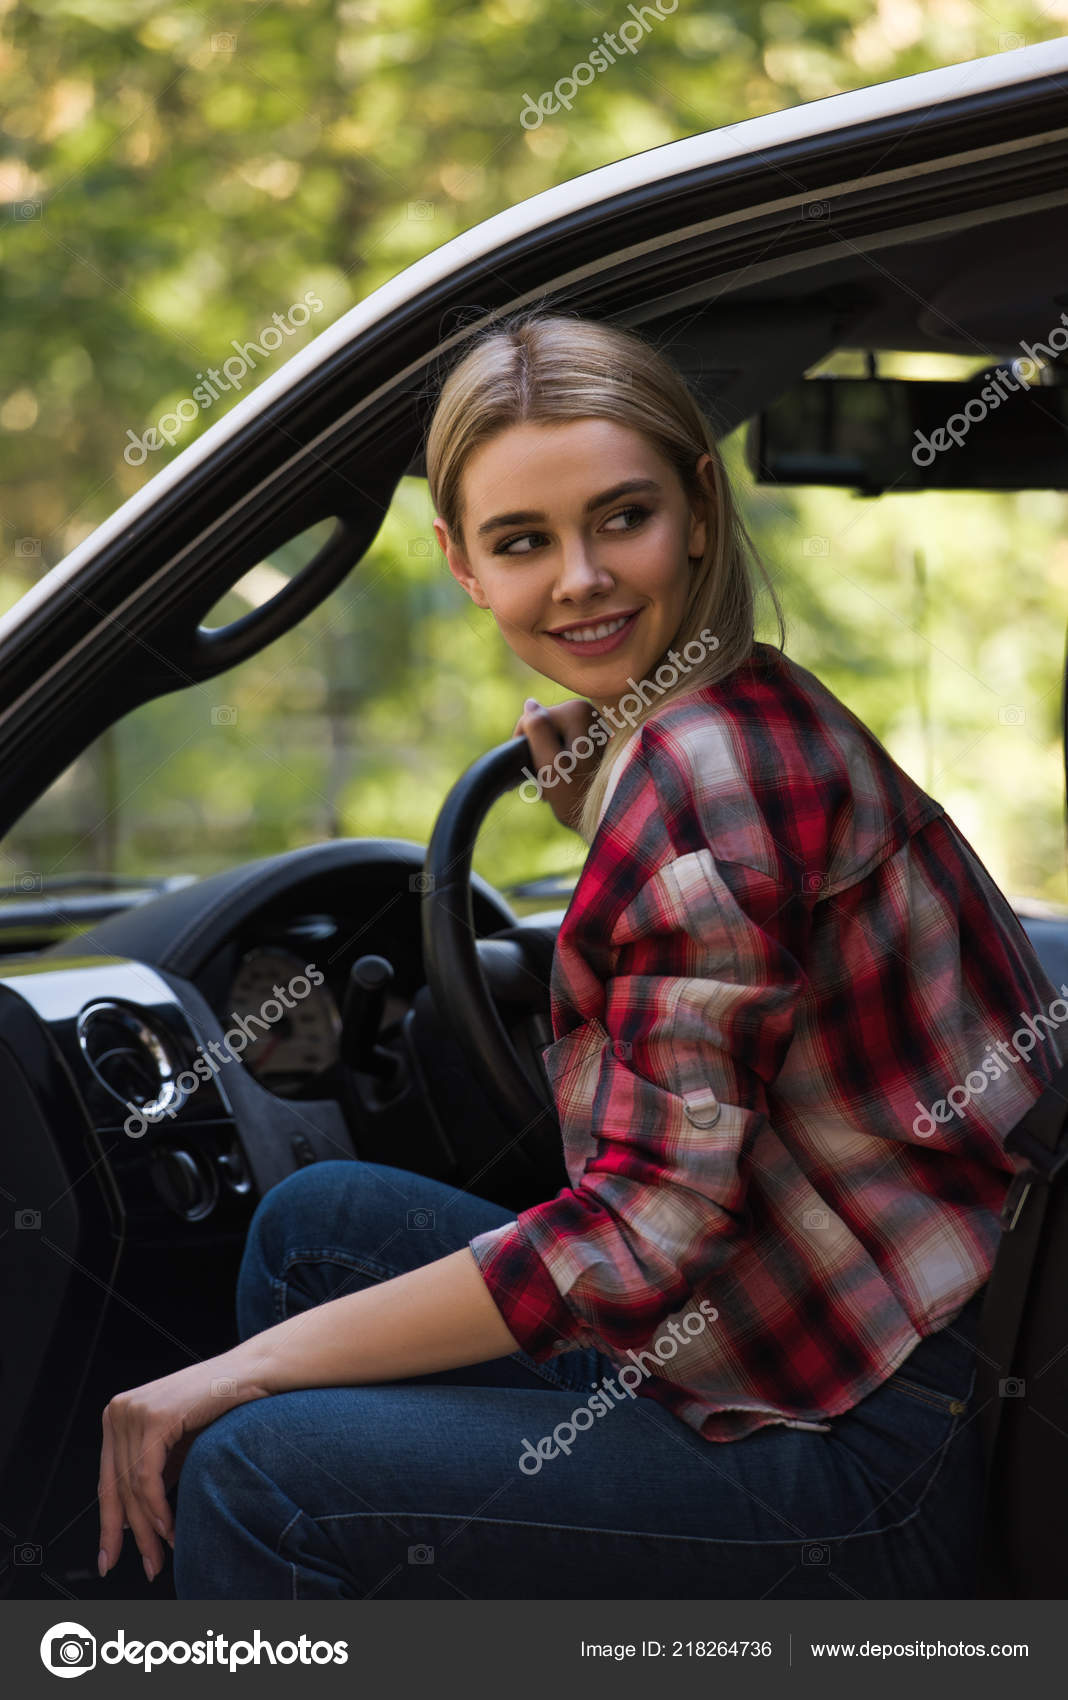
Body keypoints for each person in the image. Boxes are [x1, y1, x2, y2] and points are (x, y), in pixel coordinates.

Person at [97, 311, 1068, 1600]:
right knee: (315, 1231)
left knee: (254, 1470)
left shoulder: (695, 798)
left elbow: (645, 1233)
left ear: (702, 509)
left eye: (623, 519)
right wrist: (606, 813)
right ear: (461, 562)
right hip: (839, 1325)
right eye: (523, 542)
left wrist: (235, 1375)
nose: (581, 579)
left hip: (868, 1454)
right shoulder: (739, 704)